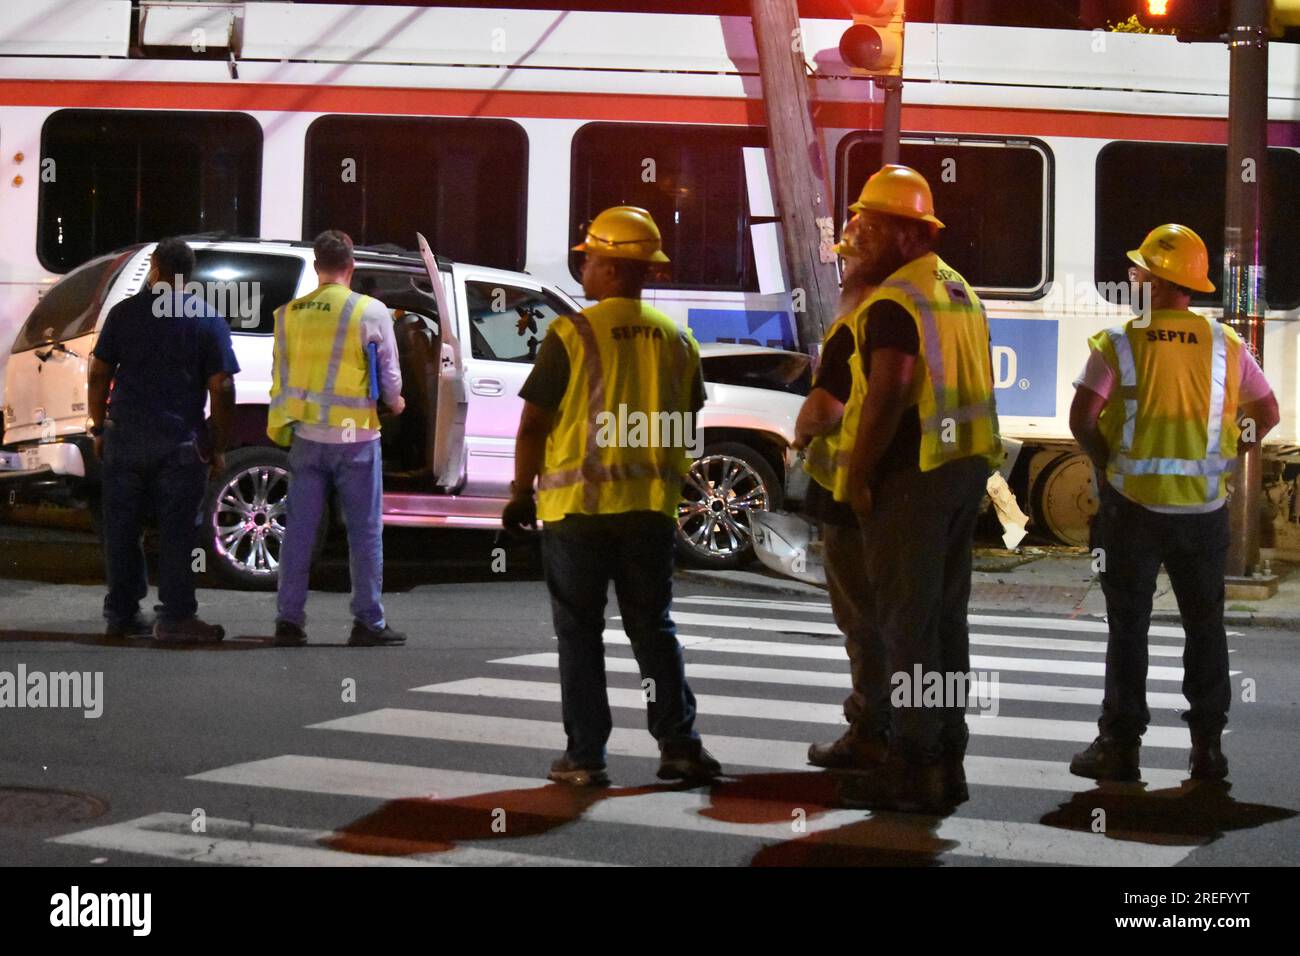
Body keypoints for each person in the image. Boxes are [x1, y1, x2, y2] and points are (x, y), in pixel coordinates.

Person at [502, 205, 721, 787]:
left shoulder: (571, 333)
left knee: (579, 634)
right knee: (654, 629)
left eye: (590, 258)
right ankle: (679, 746)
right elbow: (686, 421)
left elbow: (533, 425)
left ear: (612, 267)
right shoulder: (678, 339)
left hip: (579, 513)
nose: (585, 267)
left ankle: (586, 756)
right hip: (648, 512)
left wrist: (521, 491)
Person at [1068, 223, 1279, 782]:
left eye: (1140, 270)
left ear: (1159, 281)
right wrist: (1233, 449)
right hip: (1203, 514)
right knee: (1204, 627)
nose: (1133, 275)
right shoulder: (1226, 345)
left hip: (1131, 512)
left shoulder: (1120, 341)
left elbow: (1082, 420)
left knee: (1128, 627)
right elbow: (1268, 412)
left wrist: (1108, 469)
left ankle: (1119, 747)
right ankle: (1207, 748)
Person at [840, 165, 1002, 814]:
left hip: (914, 479)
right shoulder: (956, 288)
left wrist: (856, 473)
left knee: (906, 631)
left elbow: (890, 390)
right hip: (964, 474)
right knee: (944, 627)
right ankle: (947, 761)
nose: (861, 236)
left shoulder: (895, 301)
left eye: (874, 227)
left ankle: (911, 765)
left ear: (910, 234)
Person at [88, 237, 236, 644]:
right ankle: (174, 617)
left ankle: (121, 614)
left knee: (122, 530)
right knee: (177, 534)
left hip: (126, 439)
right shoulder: (207, 319)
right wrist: (218, 446)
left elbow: (99, 373)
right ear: (189, 275)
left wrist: (99, 427)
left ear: (154, 267)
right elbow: (222, 388)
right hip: (179, 445)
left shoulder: (124, 314)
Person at [268, 230, 407, 648]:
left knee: (299, 534)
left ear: (316, 267)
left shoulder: (288, 314)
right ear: (351, 266)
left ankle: (289, 621)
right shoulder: (371, 311)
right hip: (357, 440)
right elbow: (390, 377)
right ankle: (368, 622)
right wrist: (396, 403)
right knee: (363, 532)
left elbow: (283, 376)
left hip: (307, 437)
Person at [795, 212, 891, 770]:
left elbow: (827, 406)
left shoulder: (855, 321)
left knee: (859, 616)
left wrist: (799, 432)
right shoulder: (917, 305)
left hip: (847, 489)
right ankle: (898, 725)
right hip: (898, 490)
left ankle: (870, 729)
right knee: (896, 616)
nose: (841, 270)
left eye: (846, 259)